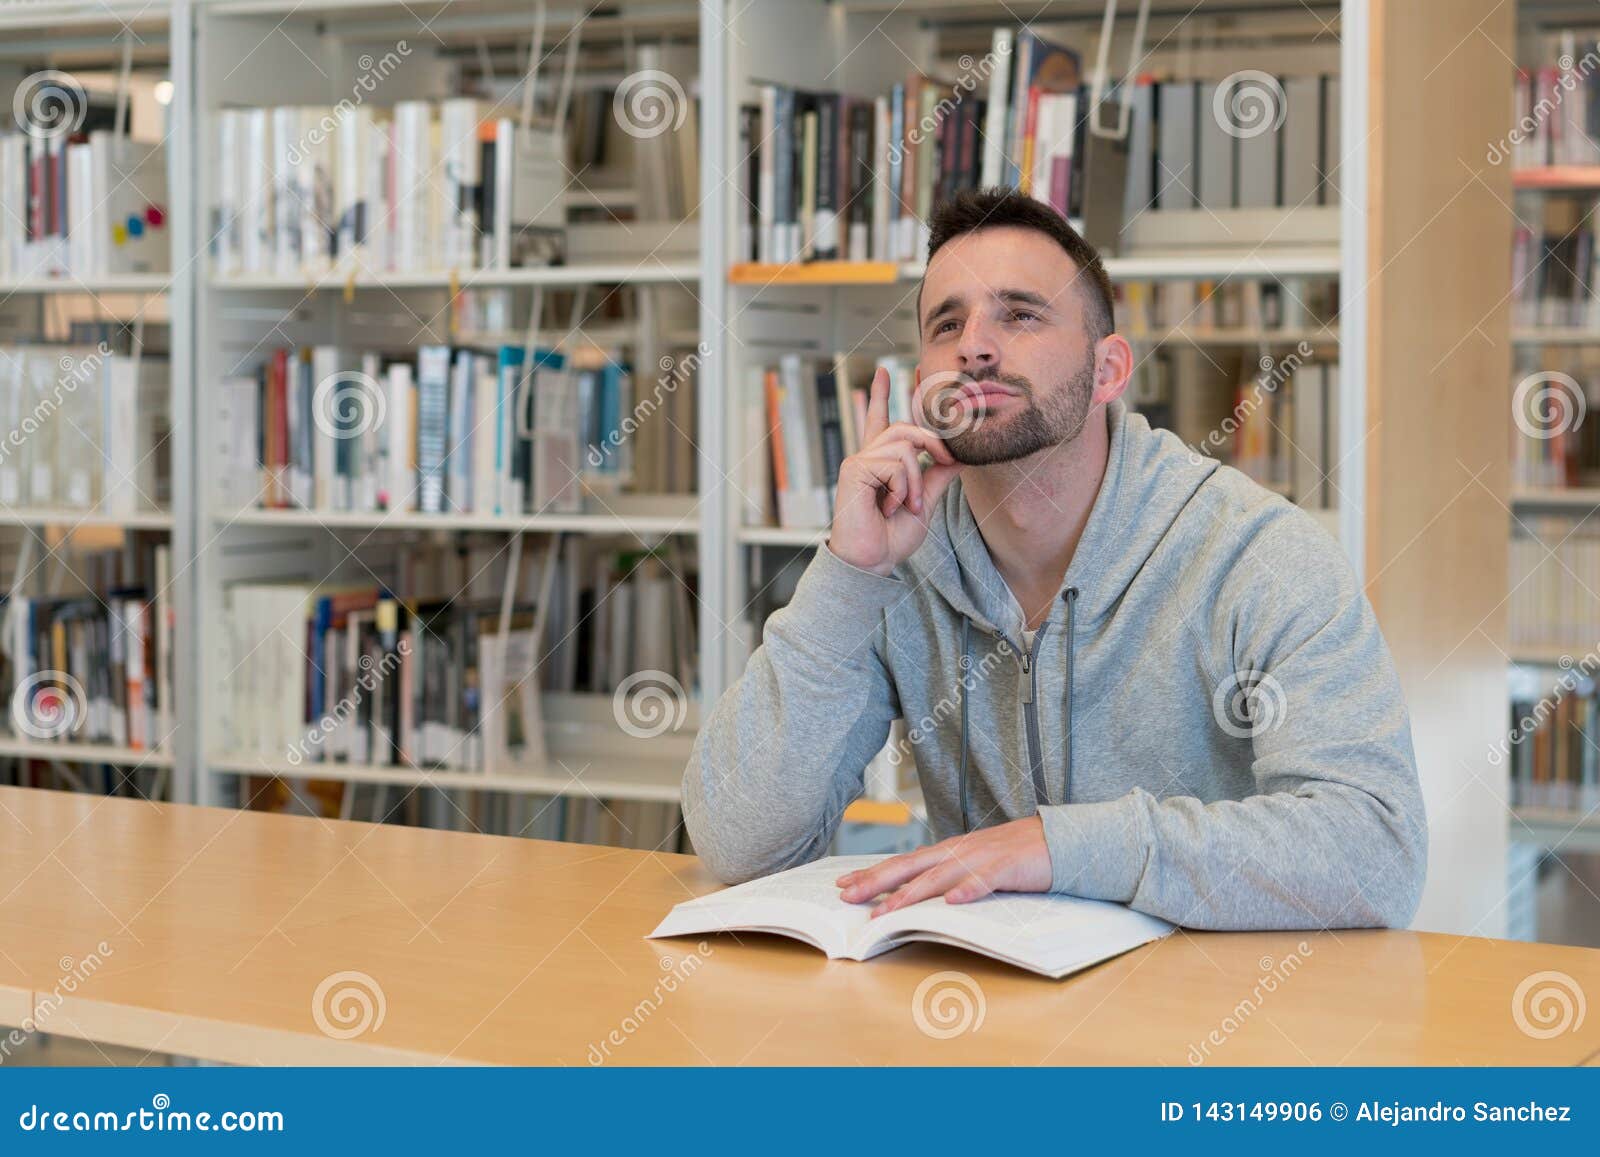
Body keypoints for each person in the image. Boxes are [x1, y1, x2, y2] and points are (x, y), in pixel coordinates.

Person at [682, 187, 1427, 931]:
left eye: (1020, 314)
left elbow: (1376, 850)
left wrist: (1064, 846)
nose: (975, 343)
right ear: (925, 389)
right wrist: (849, 574)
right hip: (986, 1013)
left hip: (1210, 1017)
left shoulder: (1258, 555)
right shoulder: (896, 563)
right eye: (948, 323)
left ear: (1108, 372)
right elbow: (739, 841)